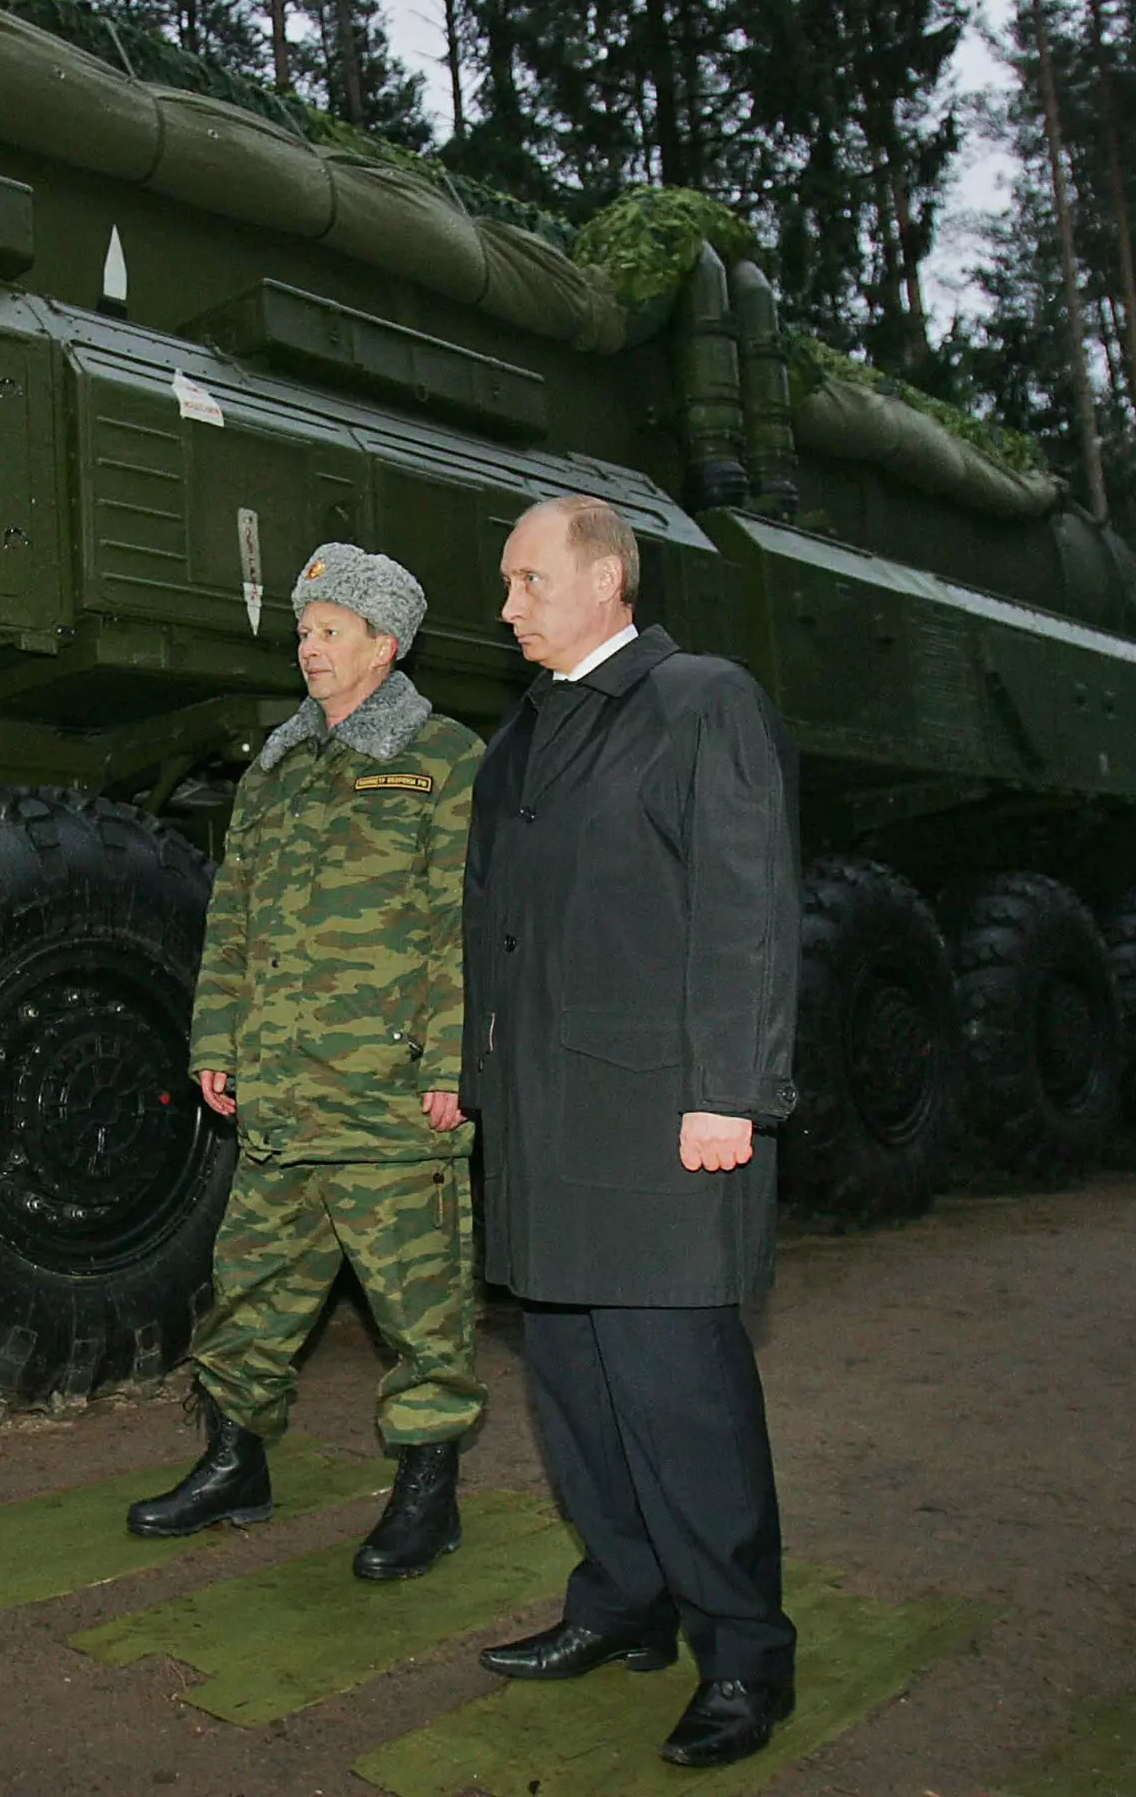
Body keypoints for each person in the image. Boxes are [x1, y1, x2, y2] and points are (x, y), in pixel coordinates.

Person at [463, 495, 803, 1770]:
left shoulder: (700, 702)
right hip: (546, 1122)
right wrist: (469, 1076)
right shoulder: (527, 735)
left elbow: (745, 910)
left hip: (666, 1121)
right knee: (577, 1391)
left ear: (608, 578)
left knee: (679, 1401)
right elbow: (492, 928)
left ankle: (744, 1652)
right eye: (505, 584)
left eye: (526, 580)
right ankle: (623, 1603)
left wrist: (732, 1091)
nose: (507, 607)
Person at [127, 541, 483, 1582]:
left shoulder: (444, 758)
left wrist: (454, 1062)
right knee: (250, 1289)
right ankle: (234, 1467)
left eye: (329, 631)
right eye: (302, 631)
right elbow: (231, 917)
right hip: (281, 1093)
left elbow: (468, 923)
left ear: (386, 642)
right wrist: (216, 1039)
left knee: (419, 1306)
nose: (308, 648)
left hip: (389, 1094)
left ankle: (429, 1495)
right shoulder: (276, 766)